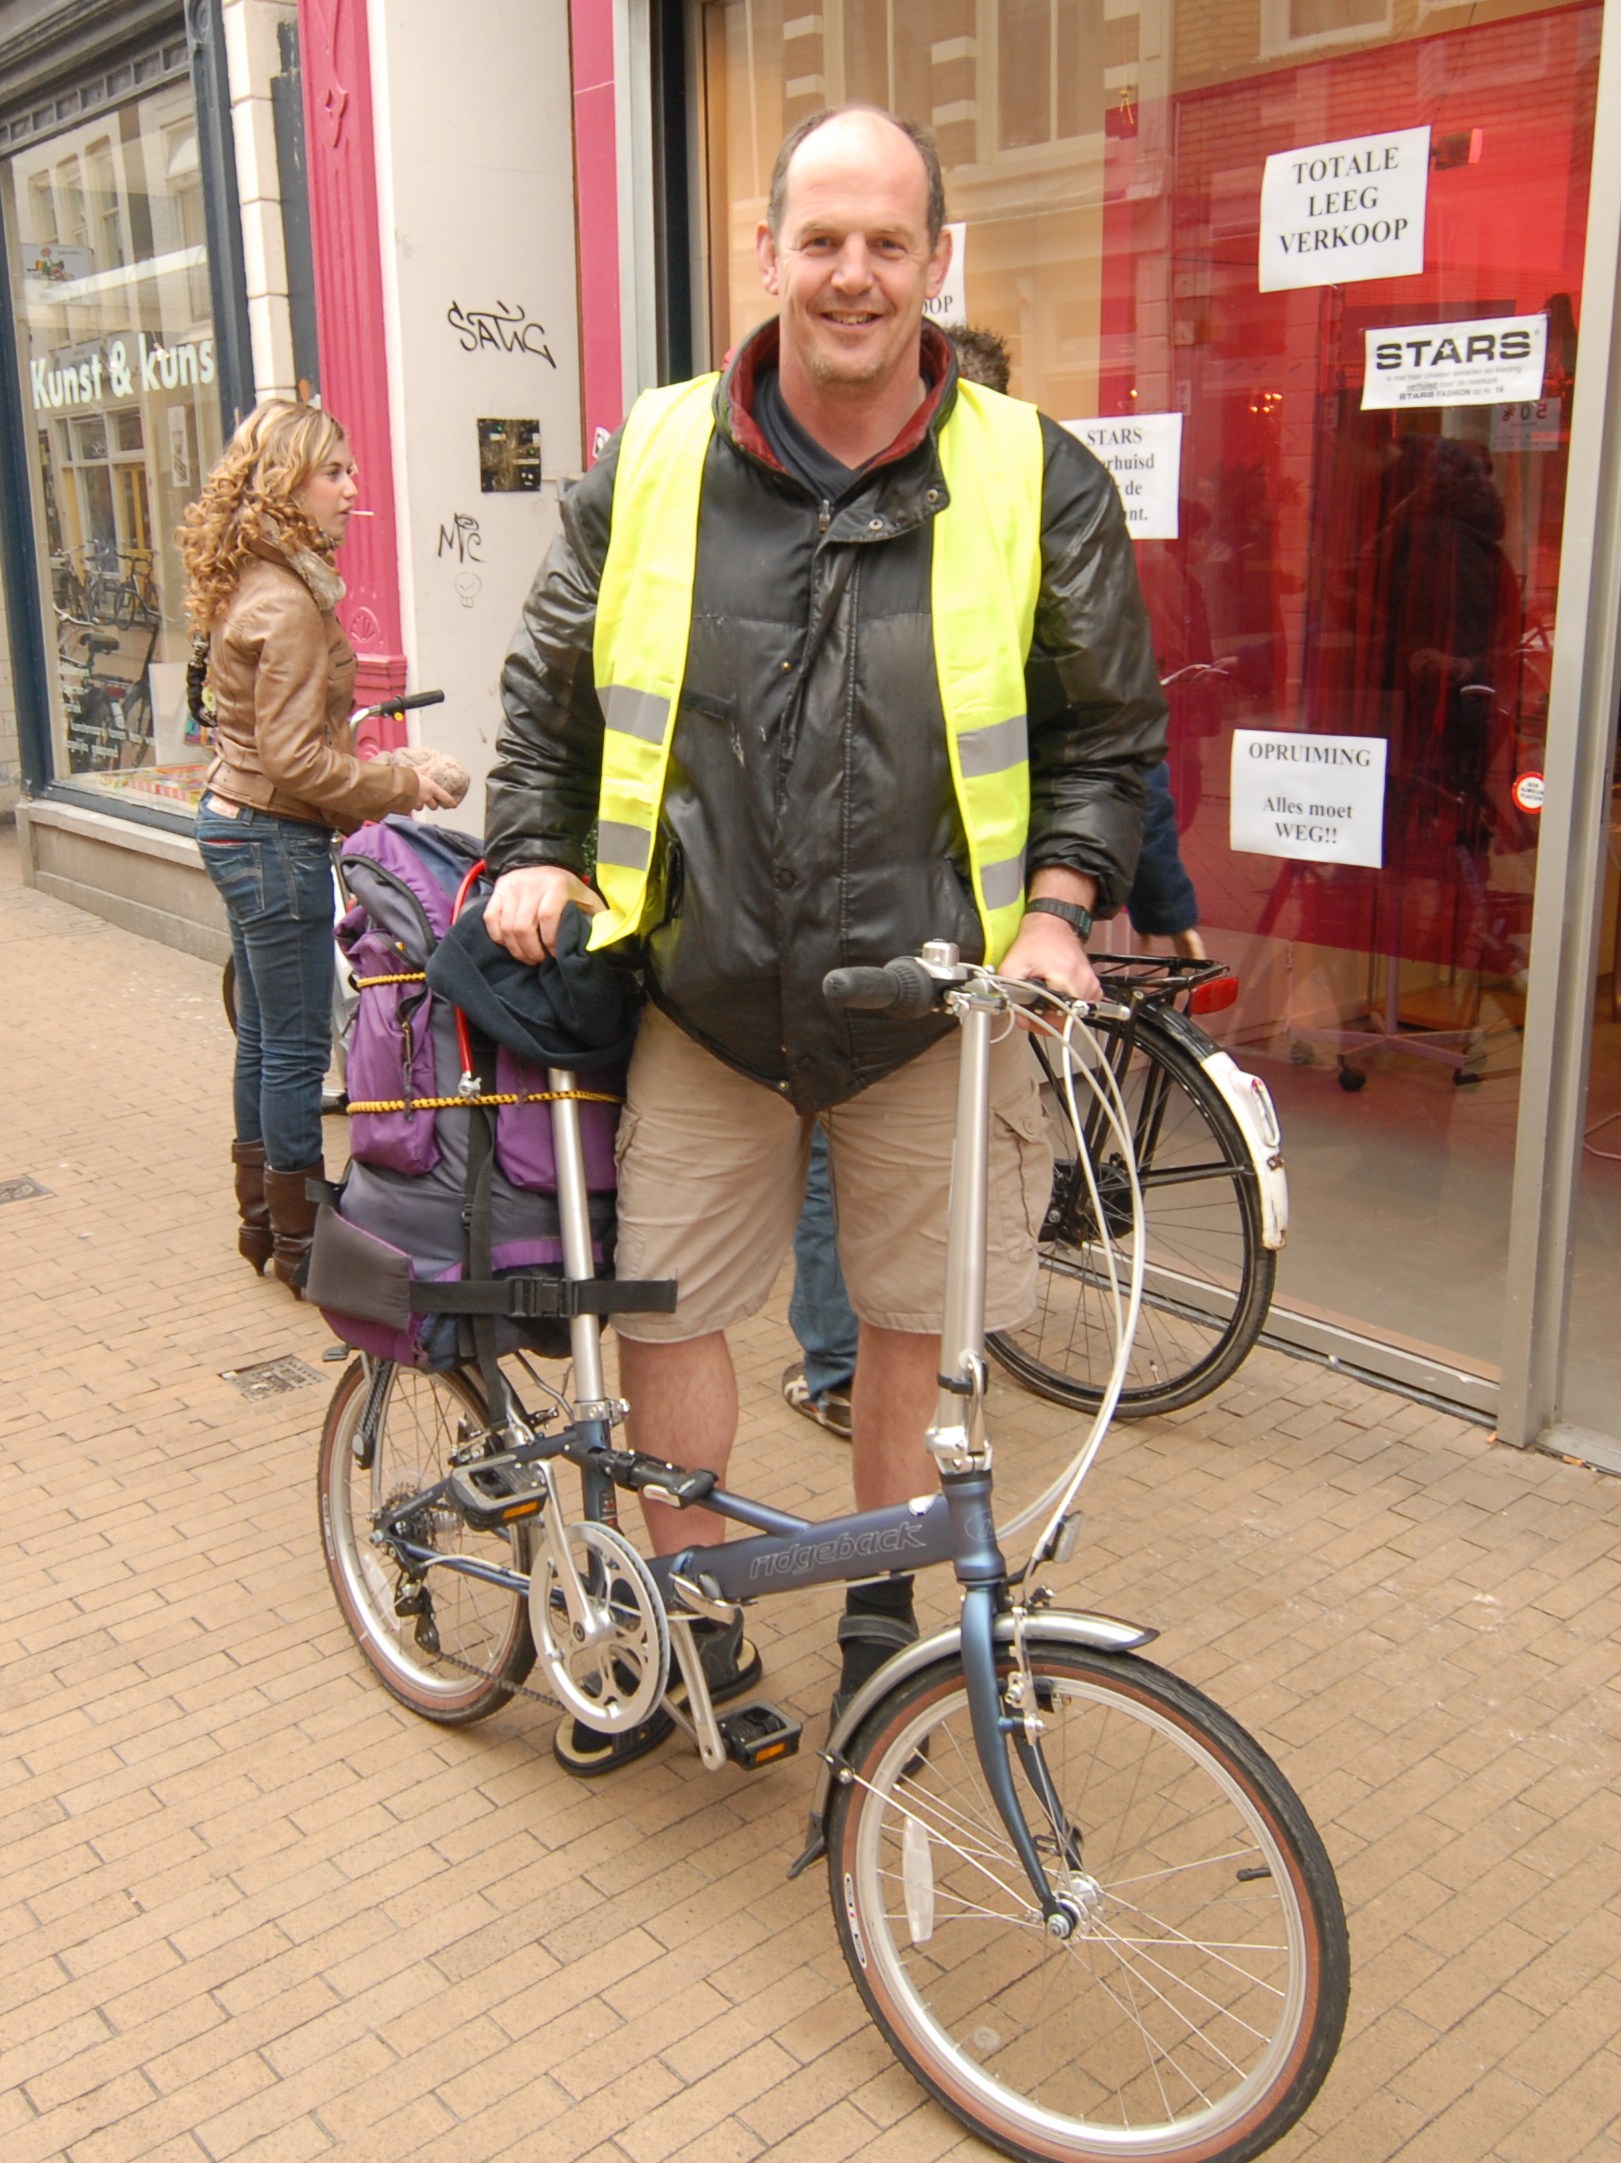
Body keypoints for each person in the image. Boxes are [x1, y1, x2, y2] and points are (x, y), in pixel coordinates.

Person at [484, 104, 1166, 1776]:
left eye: (887, 243)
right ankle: (687, 1619)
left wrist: (1064, 911)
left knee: (917, 1342)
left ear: (938, 264)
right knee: (668, 1312)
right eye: (821, 239)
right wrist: (527, 854)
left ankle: (884, 1636)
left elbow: (1102, 738)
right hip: (700, 992)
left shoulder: (1031, 471)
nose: (851, 274)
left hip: (932, 1005)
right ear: (768, 252)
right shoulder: (652, 455)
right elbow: (548, 697)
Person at [181, 399, 468, 1289]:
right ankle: (308, 1242)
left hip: (236, 822)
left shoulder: (257, 578)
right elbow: (298, 758)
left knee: (266, 1038)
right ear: (288, 483)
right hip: (271, 839)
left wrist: (389, 764)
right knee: (298, 1045)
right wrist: (404, 785)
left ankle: (264, 1219)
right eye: (334, 471)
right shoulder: (289, 600)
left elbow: (278, 740)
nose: (353, 488)